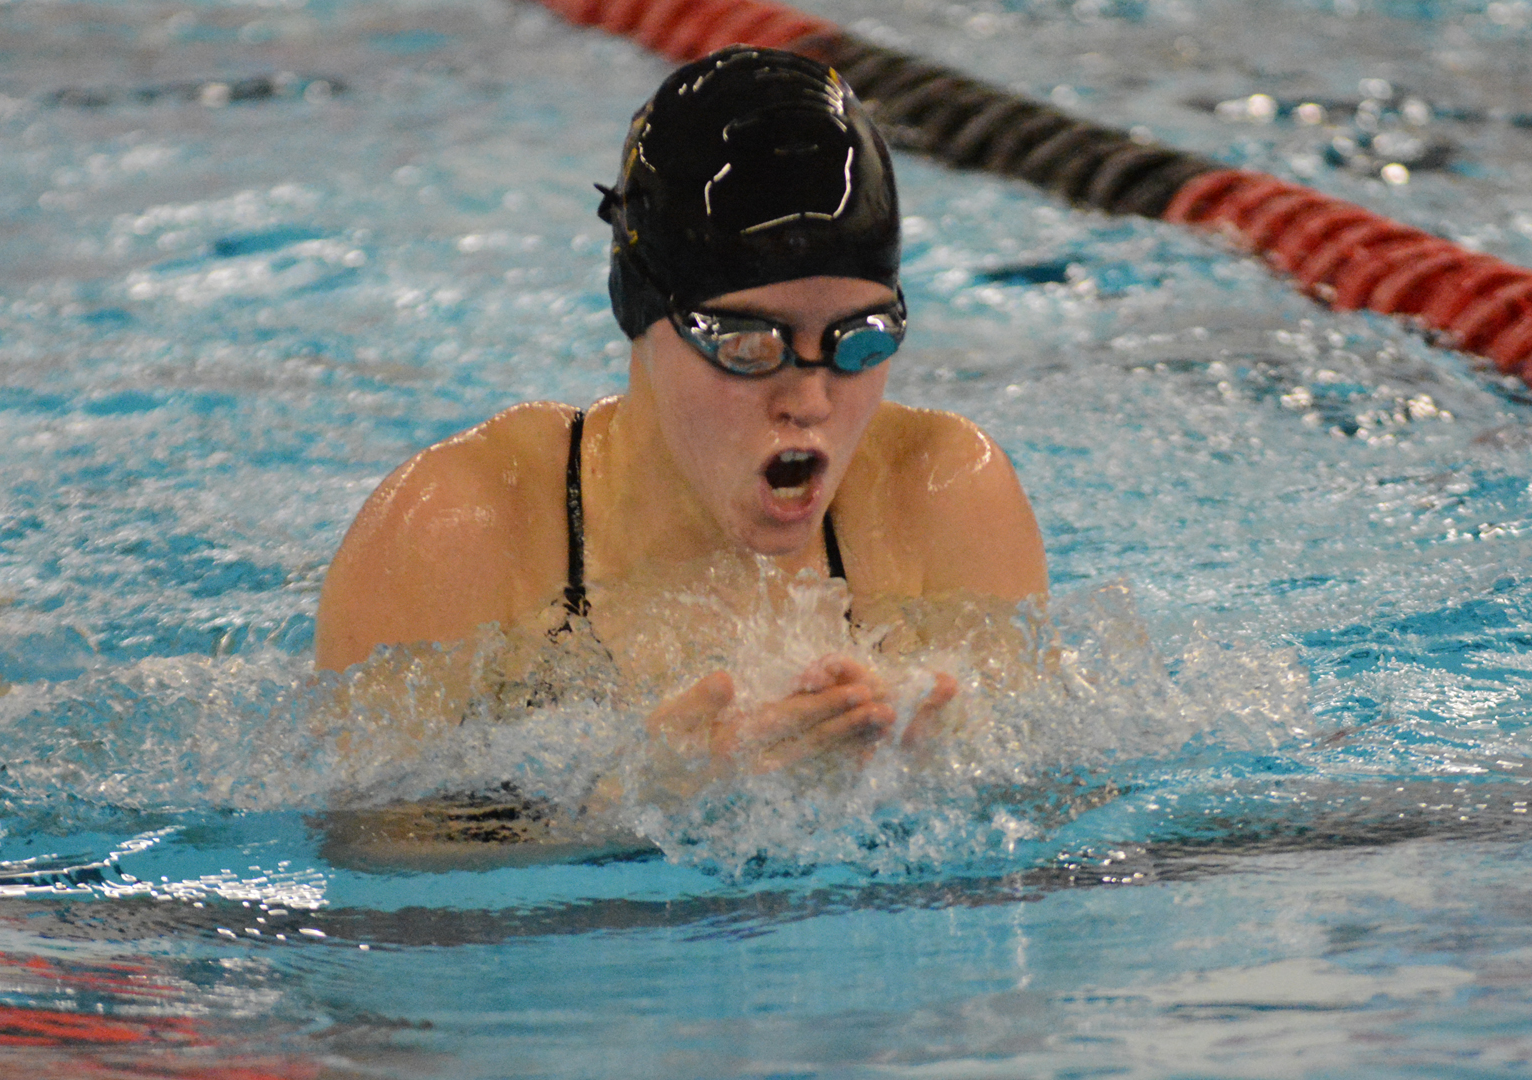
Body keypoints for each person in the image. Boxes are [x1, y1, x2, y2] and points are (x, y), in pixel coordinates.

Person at [315, 46, 1047, 776]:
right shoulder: (463, 529)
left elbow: (1058, 798)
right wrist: (624, 809)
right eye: (750, 345)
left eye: (860, 340)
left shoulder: (943, 496)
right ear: (641, 312)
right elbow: (368, 851)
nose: (811, 399)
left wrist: (946, 779)